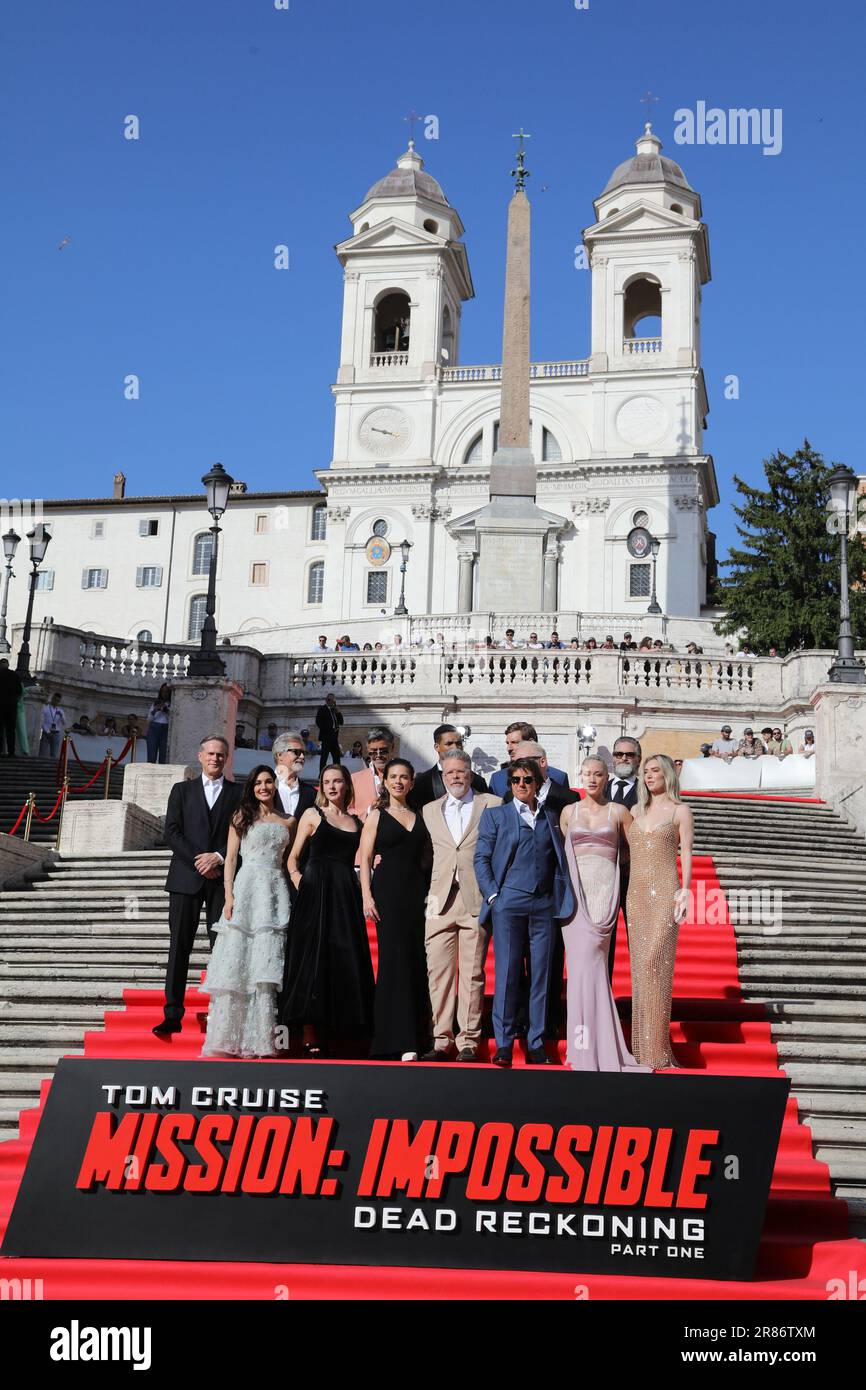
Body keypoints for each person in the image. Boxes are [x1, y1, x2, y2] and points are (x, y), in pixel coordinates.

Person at [474, 757, 574, 1067]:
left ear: (538, 784)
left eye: (527, 780)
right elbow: (481, 858)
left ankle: (537, 1043)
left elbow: (560, 859)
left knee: (541, 977)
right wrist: (494, 896)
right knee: (507, 974)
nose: (521, 785)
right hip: (509, 903)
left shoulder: (551, 817)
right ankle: (504, 1044)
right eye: (515, 780)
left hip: (543, 906)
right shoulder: (495, 816)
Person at [559, 757, 648, 1073]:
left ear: (606, 778)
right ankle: (582, 1045)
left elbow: (637, 850)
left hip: (604, 892)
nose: (592, 779)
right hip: (576, 894)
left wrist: (615, 867)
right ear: (581, 776)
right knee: (578, 970)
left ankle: (598, 1044)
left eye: (598, 774)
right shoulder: (568, 812)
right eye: (587, 774)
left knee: (594, 965)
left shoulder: (619, 812)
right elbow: (564, 855)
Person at [279, 764, 374, 1055]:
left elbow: (365, 859)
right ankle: (310, 1029)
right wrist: (299, 881)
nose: (332, 786)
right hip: (315, 891)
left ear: (347, 785)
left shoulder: (357, 822)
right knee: (312, 956)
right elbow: (292, 857)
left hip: (344, 893)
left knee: (342, 955)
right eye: (327, 782)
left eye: (337, 781)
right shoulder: (312, 815)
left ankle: (340, 1027)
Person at [201, 765, 295, 1058]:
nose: (263, 787)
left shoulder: (289, 821)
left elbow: (290, 862)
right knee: (239, 958)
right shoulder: (241, 816)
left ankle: (262, 1038)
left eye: (268, 782)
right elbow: (230, 859)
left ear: (275, 785)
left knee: (265, 960)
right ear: (252, 788)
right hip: (246, 888)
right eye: (258, 783)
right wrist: (229, 896)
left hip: (275, 891)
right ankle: (227, 1037)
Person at [153, 735, 243, 1037]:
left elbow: (244, 831)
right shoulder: (182, 790)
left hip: (222, 881)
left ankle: (221, 1013)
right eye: (210, 753)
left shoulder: (238, 792)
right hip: (185, 878)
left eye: (221, 754)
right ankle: (172, 1015)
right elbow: (172, 832)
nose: (215, 758)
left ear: (226, 758)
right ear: (200, 756)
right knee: (179, 947)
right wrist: (200, 861)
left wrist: (218, 857)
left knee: (222, 948)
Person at [421, 749, 502, 1062]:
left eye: (461, 771)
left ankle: (468, 1040)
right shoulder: (429, 810)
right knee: (438, 973)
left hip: (475, 898)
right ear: (443, 776)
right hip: (438, 900)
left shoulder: (492, 804)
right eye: (450, 772)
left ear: (471, 773)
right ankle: (441, 1040)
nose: (455, 777)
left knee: (472, 973)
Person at [360, 758, 432, 1061]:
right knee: (393, 963)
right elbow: (364, 859)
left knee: (416, 962)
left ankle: (417, 1037)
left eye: (404, 777)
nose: (399, 782)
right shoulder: (376, 815)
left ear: (411, 782)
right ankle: (393, 1041)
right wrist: (367, 896)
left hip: (417, 895)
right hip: (387, 894)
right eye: (393, 777)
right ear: (386, 782)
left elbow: (427, 858)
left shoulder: (421, 815)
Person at [626, 753, 693, 1070]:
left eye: (655, 770)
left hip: (666, 892)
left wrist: (685, 891)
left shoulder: (681, 811)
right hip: (635, 895)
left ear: (668, 773)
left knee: (656, 963)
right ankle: (642, 1050)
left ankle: (658, 1050)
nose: (649, 776)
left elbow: (687, 852)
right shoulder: (634, 811)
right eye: (645, 771)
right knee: (640, 970)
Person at [605, 737, 641, 982]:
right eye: (619, 754)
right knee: (603, 941)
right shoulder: (600, 788)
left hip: (635, 877)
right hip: (603, 878)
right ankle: (603, 994)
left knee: (638, 940)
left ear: (638, 759)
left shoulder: (647, 791)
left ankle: (641, 996)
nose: (623, 758)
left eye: (629, 754)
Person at [408, 724, 488, 810]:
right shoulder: (422, 782)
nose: (455, 747)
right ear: (437, 747)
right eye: (449, 744)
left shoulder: (478, 781)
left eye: (458, 743)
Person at [489, 722, 568, 796]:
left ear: (531, 742)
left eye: (514, 742)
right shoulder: (497, 779)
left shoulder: (559, 777)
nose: (509, 748)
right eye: (507, 743)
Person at [272, 730, 318, 821]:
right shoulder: (261, 787)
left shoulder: (312, 793)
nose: (302, 757)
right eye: (296, 752)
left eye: (304, 753)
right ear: (279, 755)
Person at [352, 726, 394, 820]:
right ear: (368, 750)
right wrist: (369, 811)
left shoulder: (404, 778)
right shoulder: (354, 779)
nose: (378, 756)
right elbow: (345, 812)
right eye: (373, 752)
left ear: (392, 747)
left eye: (383, 751)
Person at [315, 693, 343, 775]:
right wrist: (327, 729)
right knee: (324, 758)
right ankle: (321, 775)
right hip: (326, 737)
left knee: (336, 757)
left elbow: (341, 722)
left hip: (334, 737)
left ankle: (337, 773)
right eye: (329, 699)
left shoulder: (334, 710)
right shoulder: (322, 709)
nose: (330, 701)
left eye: (332, 700)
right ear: (326, 700)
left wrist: (338, 712)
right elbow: (318, 722)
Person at [0, 659, 23, 756]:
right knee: (11, 730)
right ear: (8, 665)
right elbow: (20, 690)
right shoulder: (15, 675)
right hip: (11, 706)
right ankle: (11, 751)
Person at [146, 684, 171, 764]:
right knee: (151, 754)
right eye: (163, 692)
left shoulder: (172, 704)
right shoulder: (155, 703)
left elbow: (173, 720)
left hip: (166, 730)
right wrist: (155, 710)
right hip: (154, 729)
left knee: (163, 755)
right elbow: (149, 719)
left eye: (166, 692)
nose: (164, 694)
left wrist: (166, 710)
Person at [39, 691, 67, 758]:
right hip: (46, 732)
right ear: (52, 699)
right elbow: (42, 721)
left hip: (56, 733)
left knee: (54, 754)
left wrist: (61, 716)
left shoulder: (60, 711)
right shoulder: (45, 708)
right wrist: (48, 732)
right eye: (55, 699)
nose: (56, 702)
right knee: (42, 752)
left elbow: (64, 723)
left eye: (58, 701)